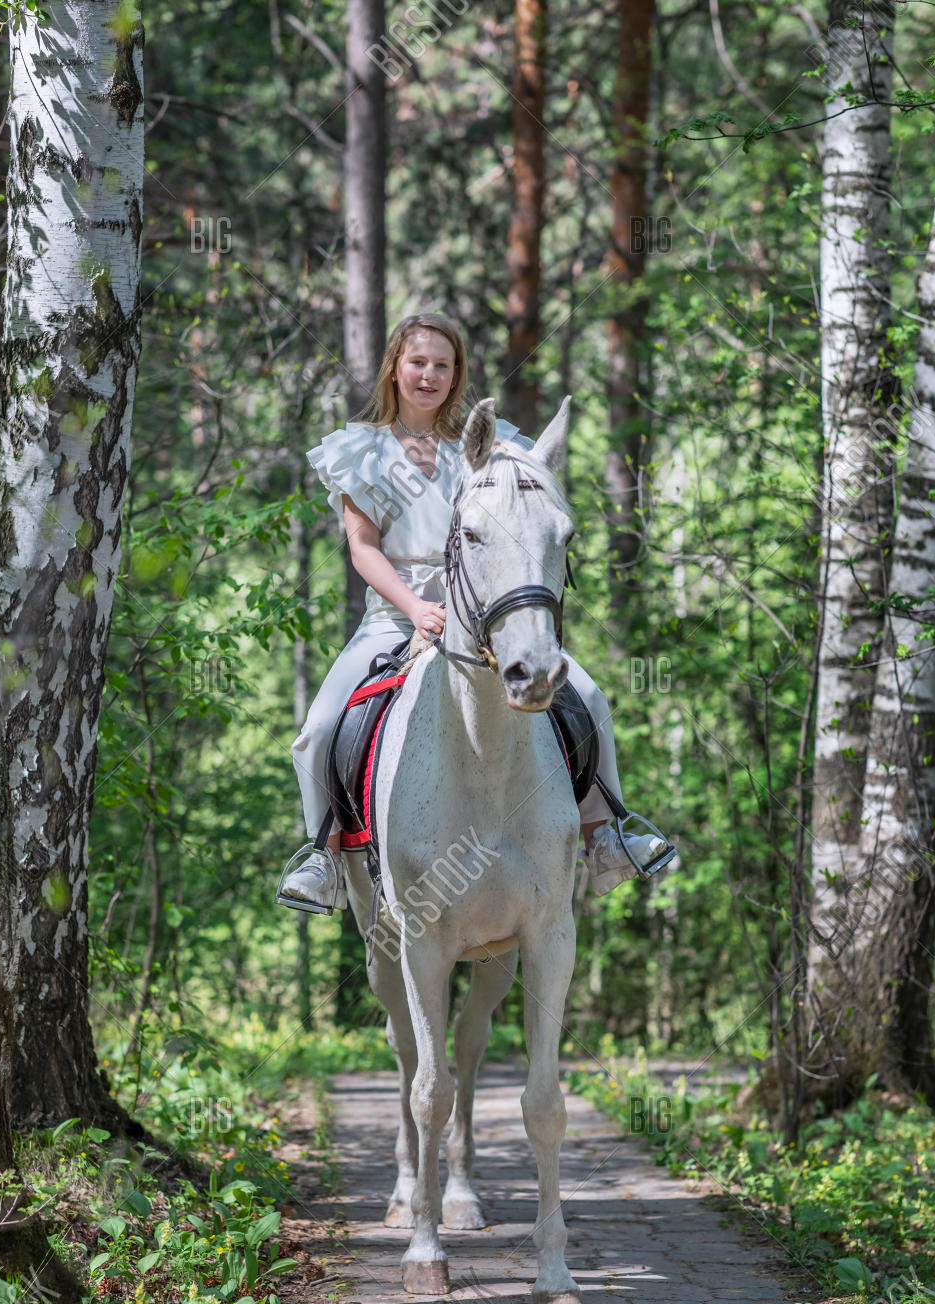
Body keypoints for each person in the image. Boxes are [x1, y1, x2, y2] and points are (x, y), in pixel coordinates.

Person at [279, 311, 669, 913]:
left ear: (457, 373)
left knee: (588, 698)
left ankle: (607, 835)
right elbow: (363, 548)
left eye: (443, 364)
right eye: (418, 363)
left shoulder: (490, 443)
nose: (429, 375)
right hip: (393, 616)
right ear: (395, 369)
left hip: (486, 616)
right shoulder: (361, 450)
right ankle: (324, 855)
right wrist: (414, 608)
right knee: (319, 730)